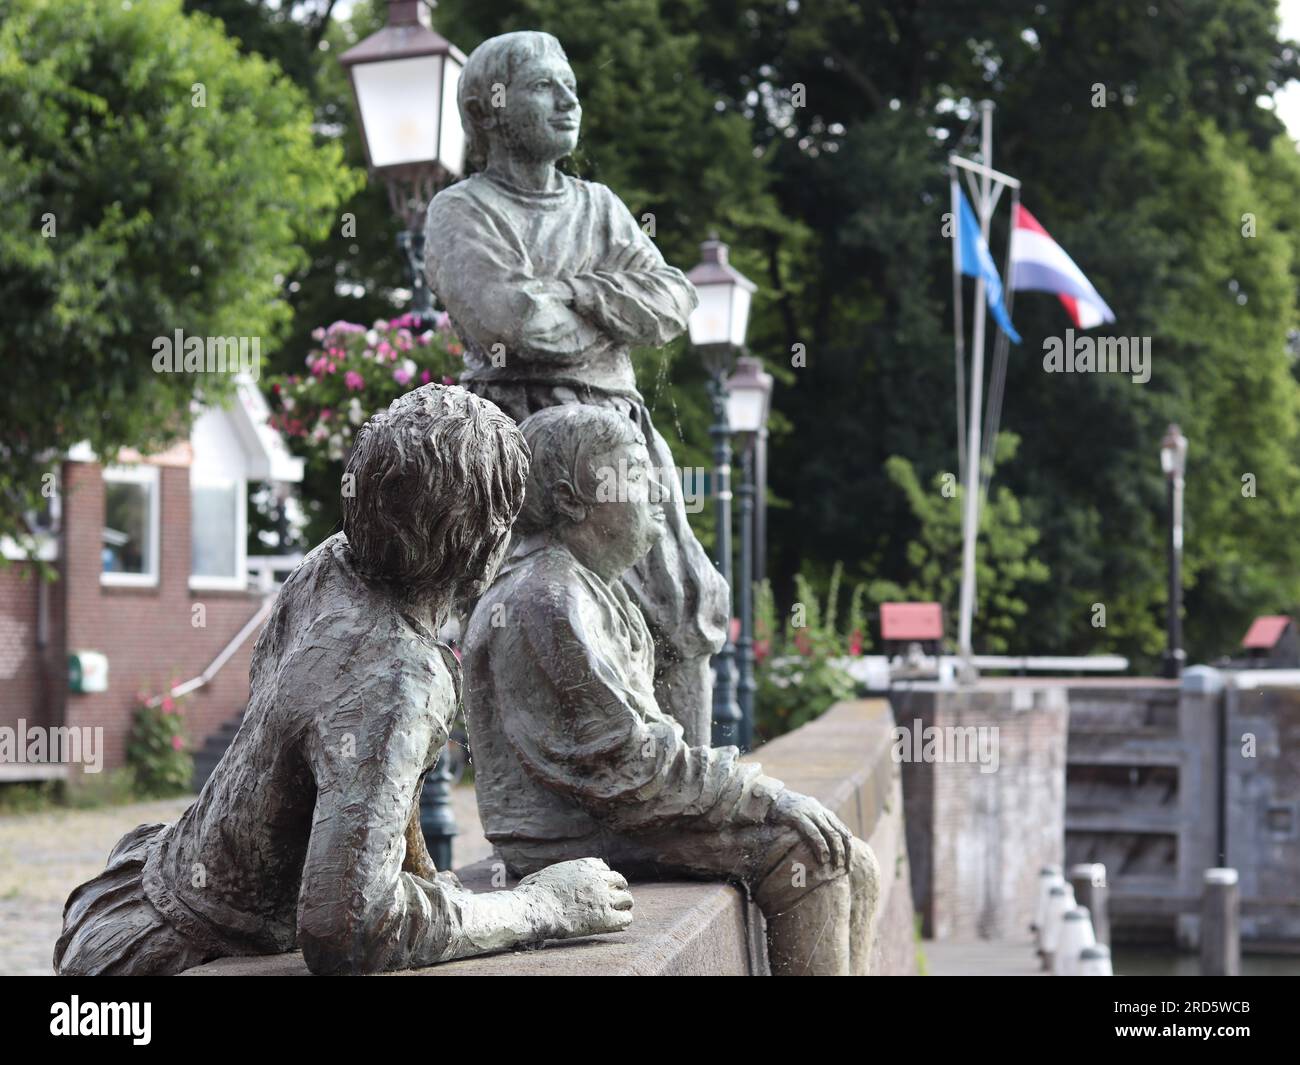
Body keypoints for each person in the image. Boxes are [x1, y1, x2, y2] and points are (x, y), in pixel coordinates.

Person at [54, 385, 632, 976]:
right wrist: (542, 907)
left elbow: (312, 754)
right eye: (505, 520)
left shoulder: (330, 565)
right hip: (185, 948)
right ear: (481, 539)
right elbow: (349, 928)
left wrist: (423, 877)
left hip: (142, 896)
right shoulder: (402, 677)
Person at [463, 404, 879, 975]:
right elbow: (631, 764)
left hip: (601, 818)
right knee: (806, 852)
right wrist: (768, 798)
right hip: (563, 838)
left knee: (855, 859)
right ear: (568, 499)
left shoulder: (592, 591)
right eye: (634, 474)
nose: (660, 491)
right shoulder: (547, 599)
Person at [424, 30, 727, 745]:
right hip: (527, 430)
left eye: (572, 85)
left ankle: (688, 796)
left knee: (684, 604)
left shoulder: (599, 206)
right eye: (543, 86)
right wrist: (604, 308)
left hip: (620, 428)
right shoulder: (462, 211)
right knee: (551, 614)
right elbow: (515, 321)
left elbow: (673, 303)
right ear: (489, 109)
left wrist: (575, 293)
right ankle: (577, 804)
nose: (569, 99)